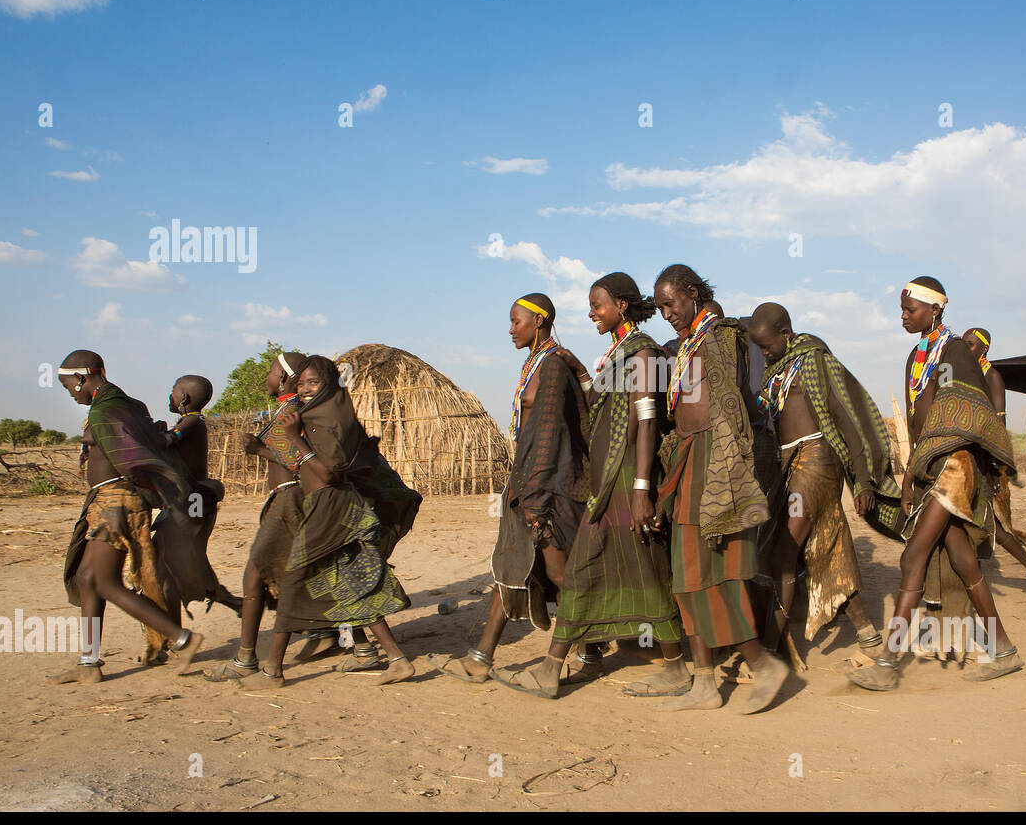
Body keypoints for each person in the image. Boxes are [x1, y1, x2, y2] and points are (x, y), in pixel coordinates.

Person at [495, 274, 688, 699]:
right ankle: (658, 663)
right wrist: (583, 371)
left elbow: (647, 420)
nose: (590, 313)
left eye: (597, 305)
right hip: (608, 481)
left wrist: (640, 489)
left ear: (621, 305)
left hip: (626, 483)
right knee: (635, 573)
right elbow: (598, 408)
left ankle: (554, 668)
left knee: (598, 571)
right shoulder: (618, 354)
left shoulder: (642, 354)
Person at [848, 278, 1023, 692]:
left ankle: (889, 663)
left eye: (910, 310)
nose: (904, 316)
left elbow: (968, 415)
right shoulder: (917, 355)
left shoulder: (955, 351)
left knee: (913, 557)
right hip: (930, 465)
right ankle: (1005, 651)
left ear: (935, 310)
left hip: (955, 466)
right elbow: (917, 421)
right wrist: (910, 473)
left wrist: (925, 467)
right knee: (963, 560)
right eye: (902, 309)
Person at [652, 264, 789, 714]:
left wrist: (724, 472)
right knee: (685, 577)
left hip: (716, 459)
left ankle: (761, 663)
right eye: (659, 308)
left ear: (692, 294)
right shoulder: (690, 342)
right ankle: (705, 682)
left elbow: (733, 406)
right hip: (690, 456)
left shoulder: (723, 335)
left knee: (711, 574)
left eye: (670, 303)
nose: (666, 313)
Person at [438, 293, 590, 683]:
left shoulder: (553, 366)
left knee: (560, 576)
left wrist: (536, 498)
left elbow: (549, 436)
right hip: (528, 486)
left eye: (515, 321)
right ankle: (480, 657)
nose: (510, 330)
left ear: (538, 321)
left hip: (547, 491)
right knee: (513, 567)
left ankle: (569, 661)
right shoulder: (535, 363)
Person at [236, 356, 414, 688]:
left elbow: (329, 473)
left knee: (292, 583)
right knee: (348, 584)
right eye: (301, 383)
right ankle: (395, 659)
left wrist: (296, 439)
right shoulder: (319, 412)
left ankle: (271, 670)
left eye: (312, 383)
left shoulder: (326, 416)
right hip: (327, 504)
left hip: (329, 505)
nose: (304, 389)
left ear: (329, 384)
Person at [746, 302, 901, 669]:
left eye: (768, 346)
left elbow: (848, 418)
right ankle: (868, 634)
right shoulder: (776, 372)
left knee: (785, 552)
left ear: (786, 334)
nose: (765, 353)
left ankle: (769, 652)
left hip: (817, 458)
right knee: (821, 545)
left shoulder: (815, 361)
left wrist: (863, 480)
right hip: (789, 464)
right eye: (760, 348)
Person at [55, 351, 204, 683]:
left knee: (103, 581)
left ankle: (182, 639)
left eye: (69, 387)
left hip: (117, 503)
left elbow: (132, 456)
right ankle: (88, 663)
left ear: (81, 377)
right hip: (109, 501)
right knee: (87, 579)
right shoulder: (124, 405)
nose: (70, 394)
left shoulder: (109, 409)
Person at [203, 352, 309, 682]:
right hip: (285, 498)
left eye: (271, 371)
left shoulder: (290, 411)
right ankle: (360, 645)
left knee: (254, 575)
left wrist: (257, 449)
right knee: (289, 576)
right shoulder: (286, 409)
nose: (266, 376)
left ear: (284, 378)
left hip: (288, 498)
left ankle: (247, 660)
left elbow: (296, 461)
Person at [151, 374, 242, 623]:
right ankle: (234, 603)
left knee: (168, 566)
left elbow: (168, 442)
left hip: (192, 501)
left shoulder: (191, 422)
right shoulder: (189, 423)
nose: (170, 395)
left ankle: (174, 637)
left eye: (173, 390)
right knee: (185, 561)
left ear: (184, 397)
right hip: (191, 501)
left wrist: (151, 433)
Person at [960, 328, 1026, 578]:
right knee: (981, 520)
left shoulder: (991, 376)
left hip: (986, 457)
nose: (965, 349)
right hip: (967, 455)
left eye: (970, 345)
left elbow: (998, 424)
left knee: (994, 523)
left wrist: (995, 462)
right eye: (963, 345)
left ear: (985, 349)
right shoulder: (963, 377)